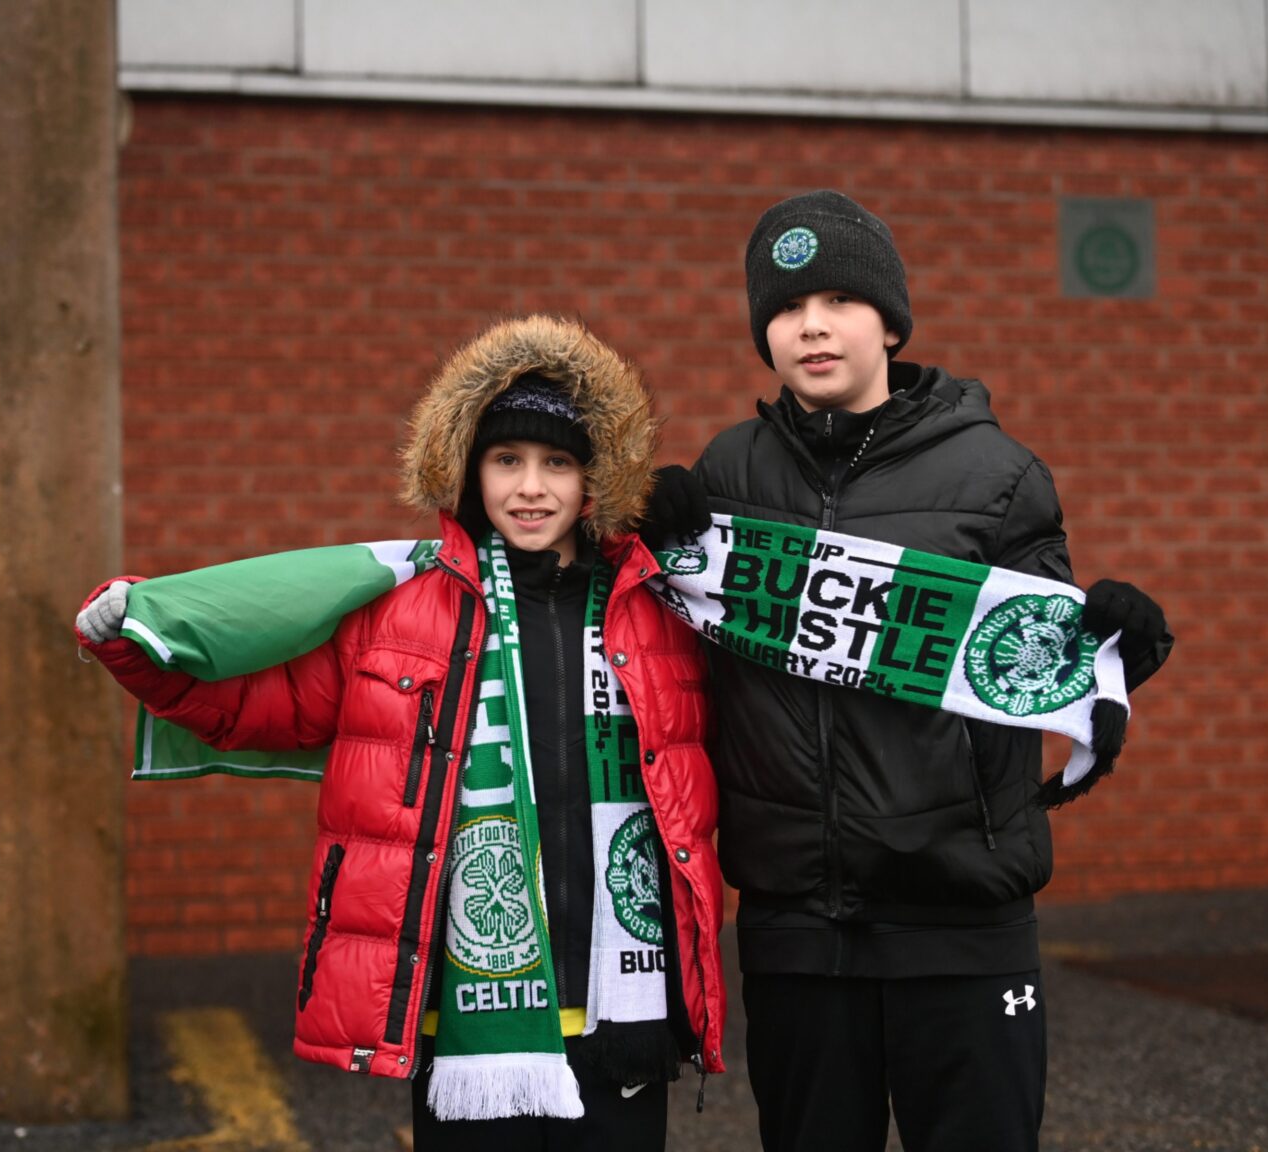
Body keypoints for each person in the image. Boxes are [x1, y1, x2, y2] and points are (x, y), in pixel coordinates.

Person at [74, 316, 725, 1151]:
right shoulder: (401, 610)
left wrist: (693, 539)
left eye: (558, 463)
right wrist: (141, 646)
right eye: (507, 461)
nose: (532, 488)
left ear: (596, 476)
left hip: (623, 1016)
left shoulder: (657, 611)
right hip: (459, 1029)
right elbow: (248, 706)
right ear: (468, 472)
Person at [675, 190, 1174, 1151]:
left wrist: (1118, 646)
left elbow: (1034, 655)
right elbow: (672, 652)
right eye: (783, 308)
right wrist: (652, 538)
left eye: (838, 302)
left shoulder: (997, 475)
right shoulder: (725, 478)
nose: (810, 326)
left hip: (962, 924)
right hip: (796, 929)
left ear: (892, 321)